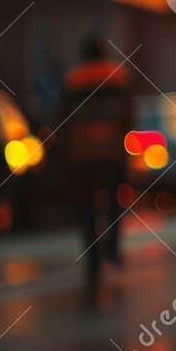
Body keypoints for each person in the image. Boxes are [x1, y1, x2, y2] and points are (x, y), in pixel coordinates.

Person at [58, 38, 134, 301]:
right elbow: (128, 116)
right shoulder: (118, 77)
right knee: (114, 202)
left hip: (83, 156)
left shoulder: (74, 80)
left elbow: (63, 119)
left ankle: (93, 255)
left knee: (87, 209)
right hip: (111, 153)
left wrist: (64, 151)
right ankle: (111, 247)